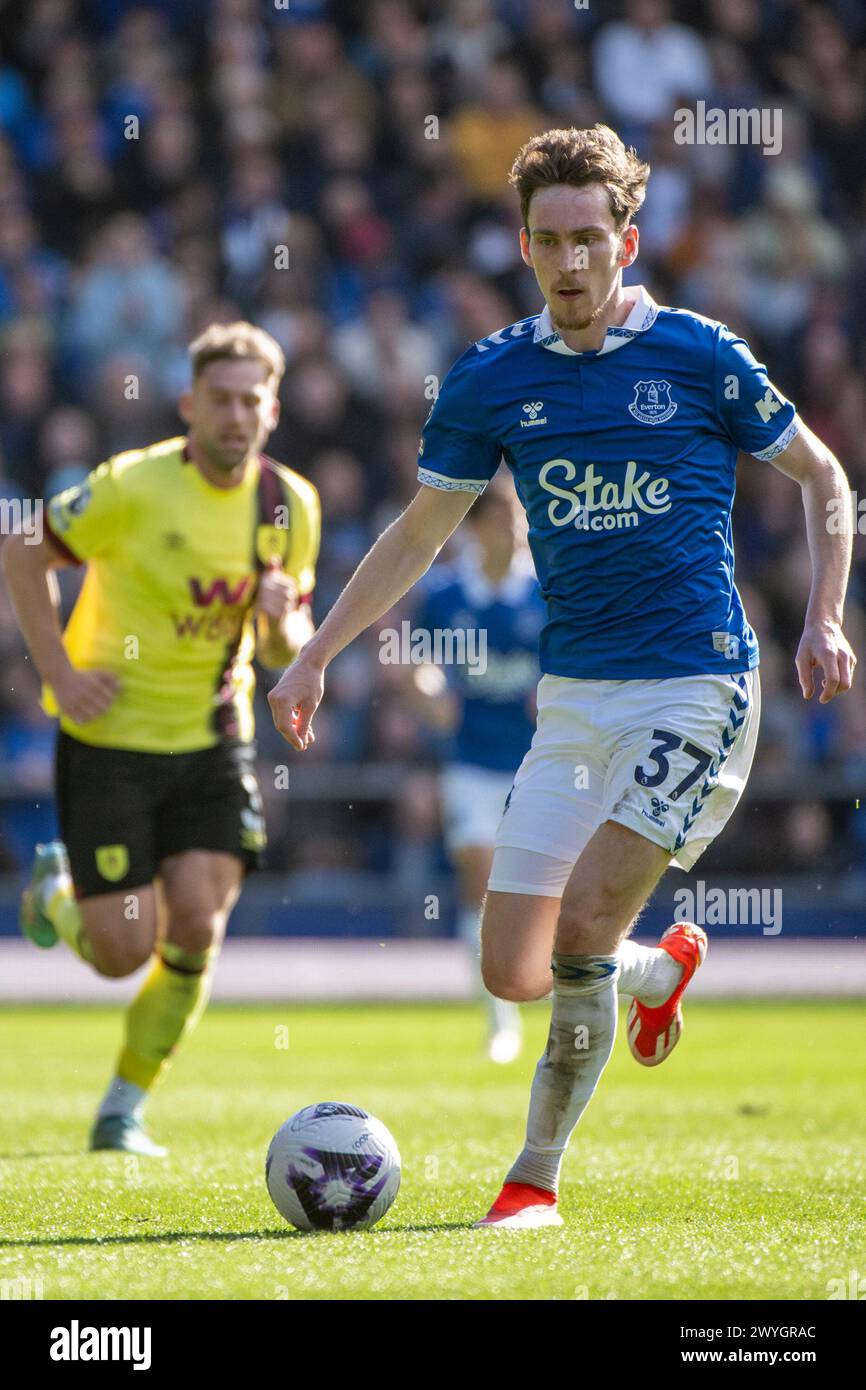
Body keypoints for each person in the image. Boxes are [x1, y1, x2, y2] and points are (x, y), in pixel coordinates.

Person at [267, 125, 855, 1228]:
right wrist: (314, 651)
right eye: (550, 241)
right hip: (572, 699)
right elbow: (415, 534)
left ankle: (531, 1176)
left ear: (626, 242)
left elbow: (822, 478)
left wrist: (821, 618)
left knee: (580, 924)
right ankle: (652, 972)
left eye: (591, 238)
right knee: (511, 965)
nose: (571, 261)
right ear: (523, 246)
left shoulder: (697, 355)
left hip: (698, 685)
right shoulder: (492, 379)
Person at [2, 321, 320, 1155]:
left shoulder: (292, 504)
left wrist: (284, 629)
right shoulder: (132, 487)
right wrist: (60, 677)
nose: (234, 415)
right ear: (187, 404)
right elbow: (22, 549)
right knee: (120, 951)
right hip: (110, 742)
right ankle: (56, 899)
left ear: (273, 410)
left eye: (250, 400)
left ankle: (123, 1108)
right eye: (219, 398)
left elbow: (290, 644)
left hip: (215, 741)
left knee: (195, 929)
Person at [409, 476, 545, 1062]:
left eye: (521, 519)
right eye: (506, 519)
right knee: (480, 880)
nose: (516, 532)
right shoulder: (444, 597)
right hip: (470, 762)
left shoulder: (544, 594)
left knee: (543, 890)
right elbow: (418, 664)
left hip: (542, 764)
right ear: (478, 526)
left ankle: (562, 997)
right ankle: (501, 1017)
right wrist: (426, 691)